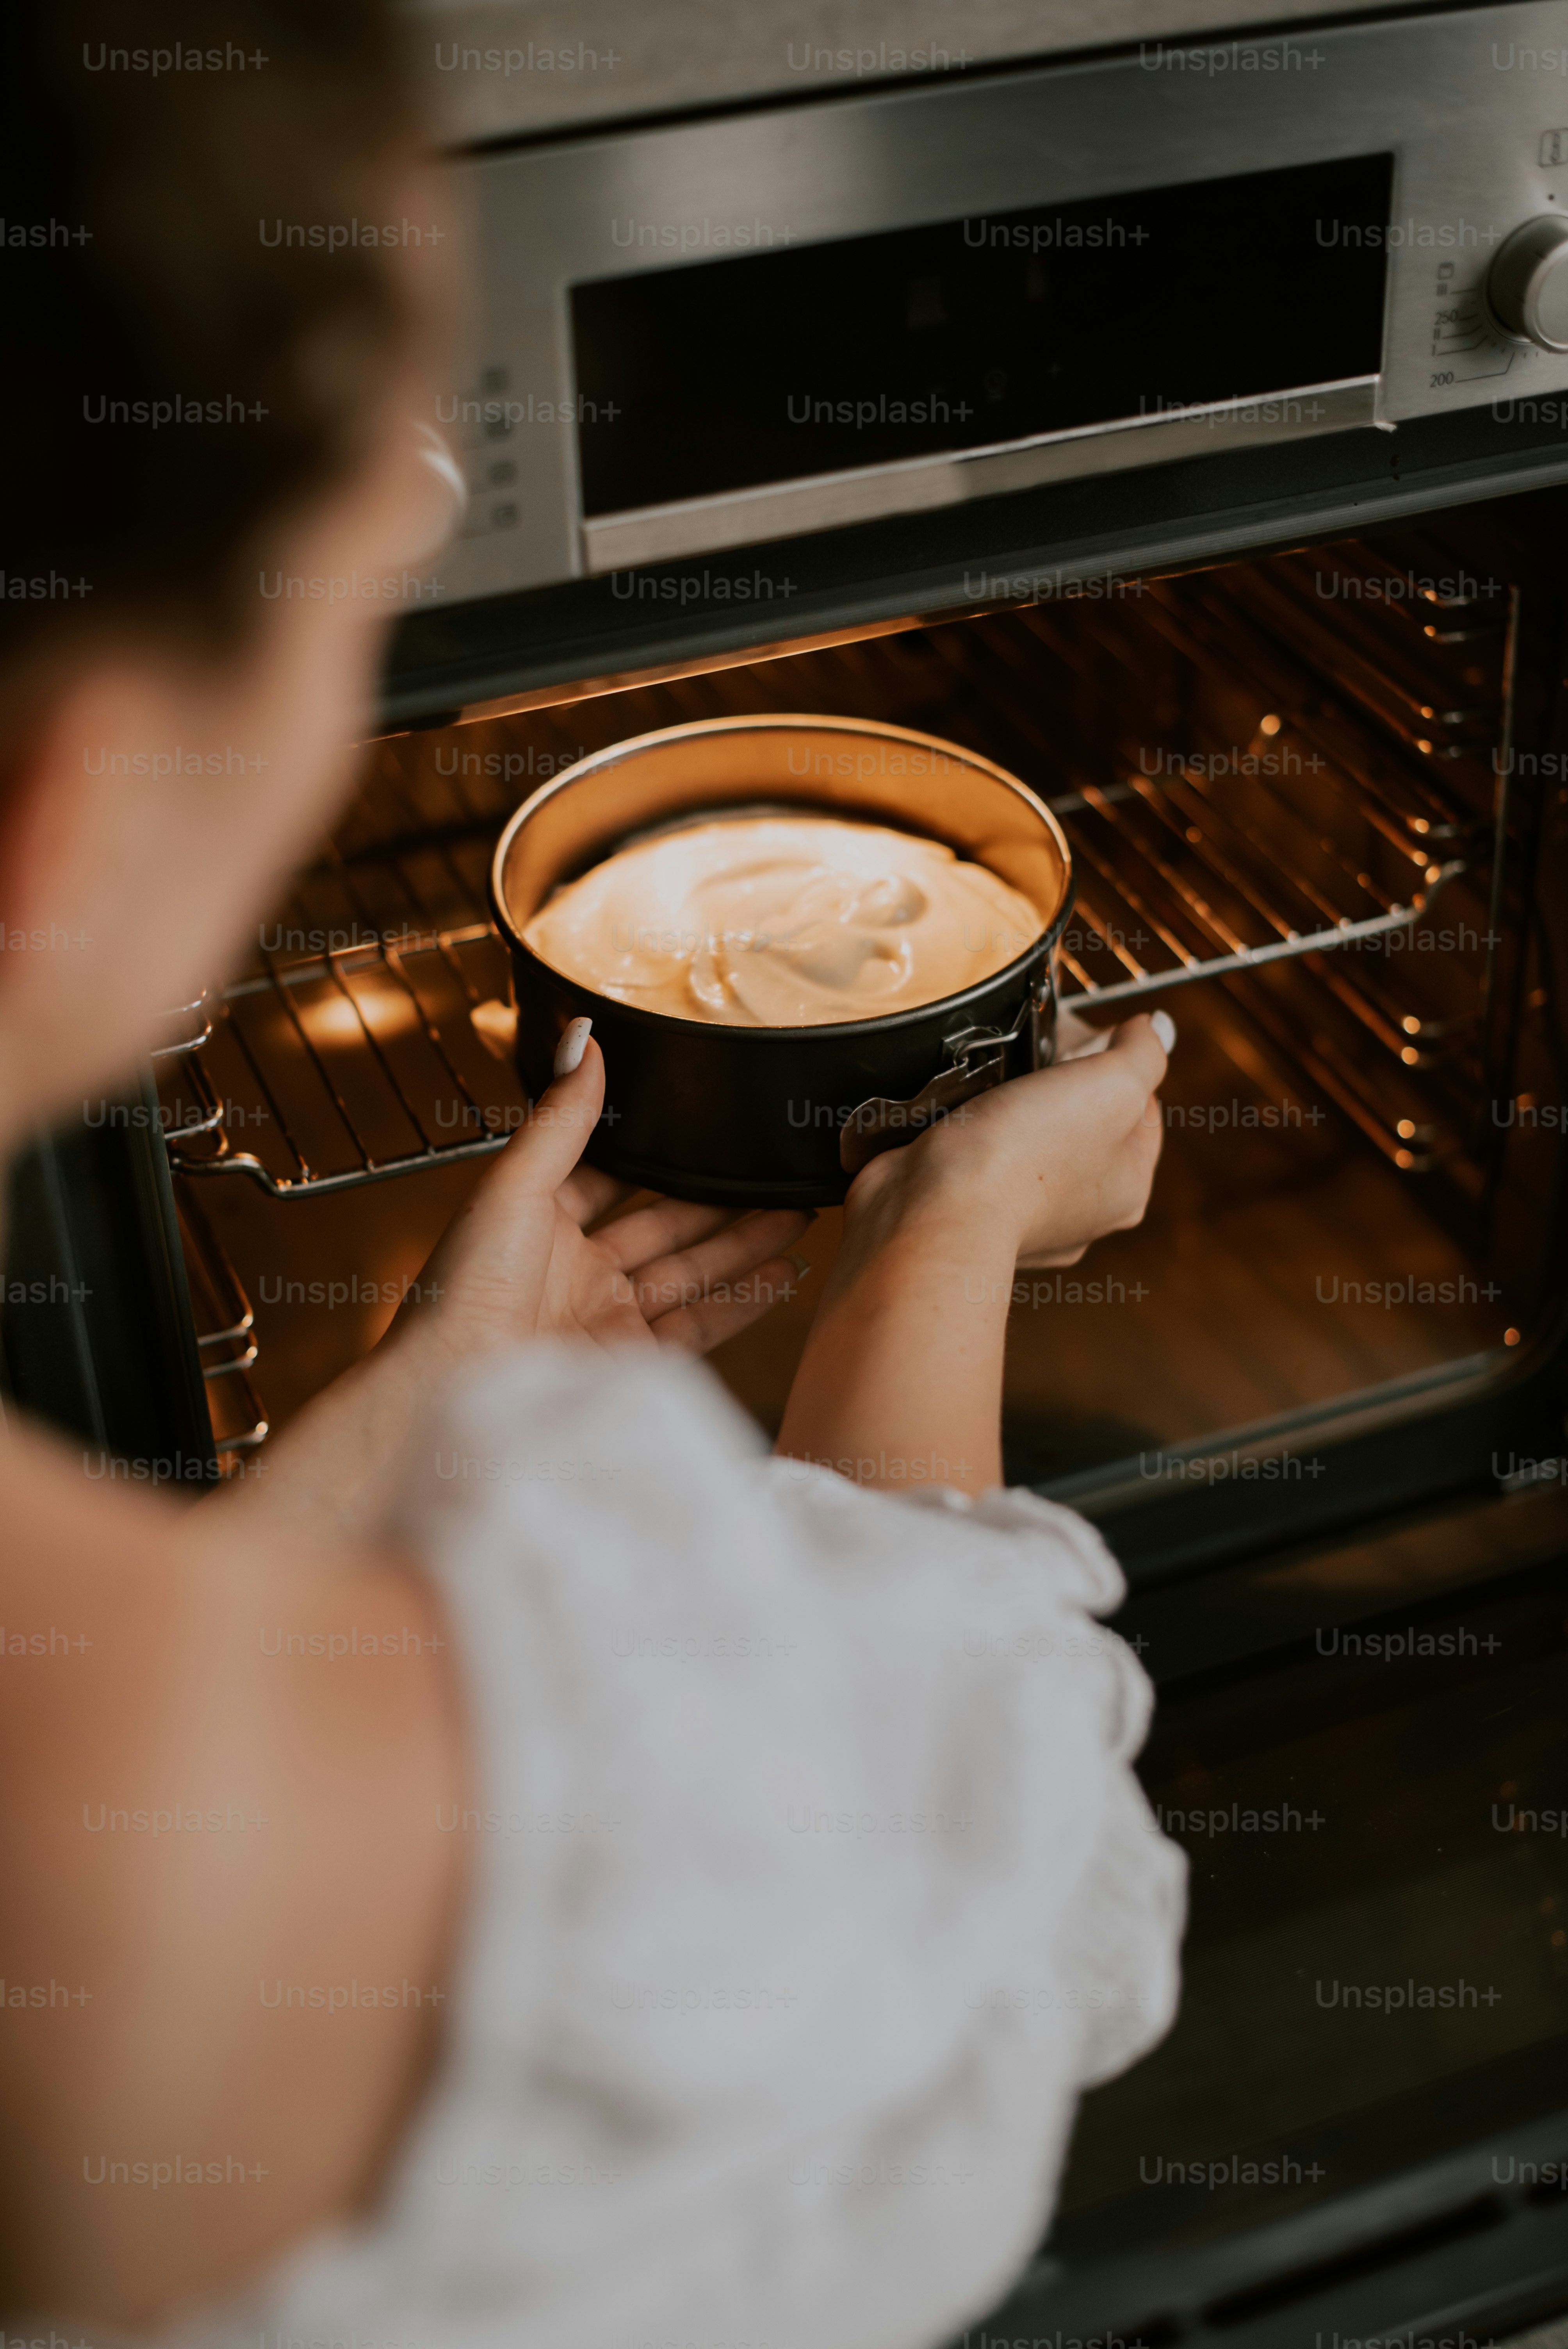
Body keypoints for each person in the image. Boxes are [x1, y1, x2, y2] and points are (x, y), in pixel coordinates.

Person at [0, 4, 1184, 2343]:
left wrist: (383, 1447)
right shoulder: (512, 1898)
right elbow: (1010, 1931)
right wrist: (938, 1244)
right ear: (72, 810)